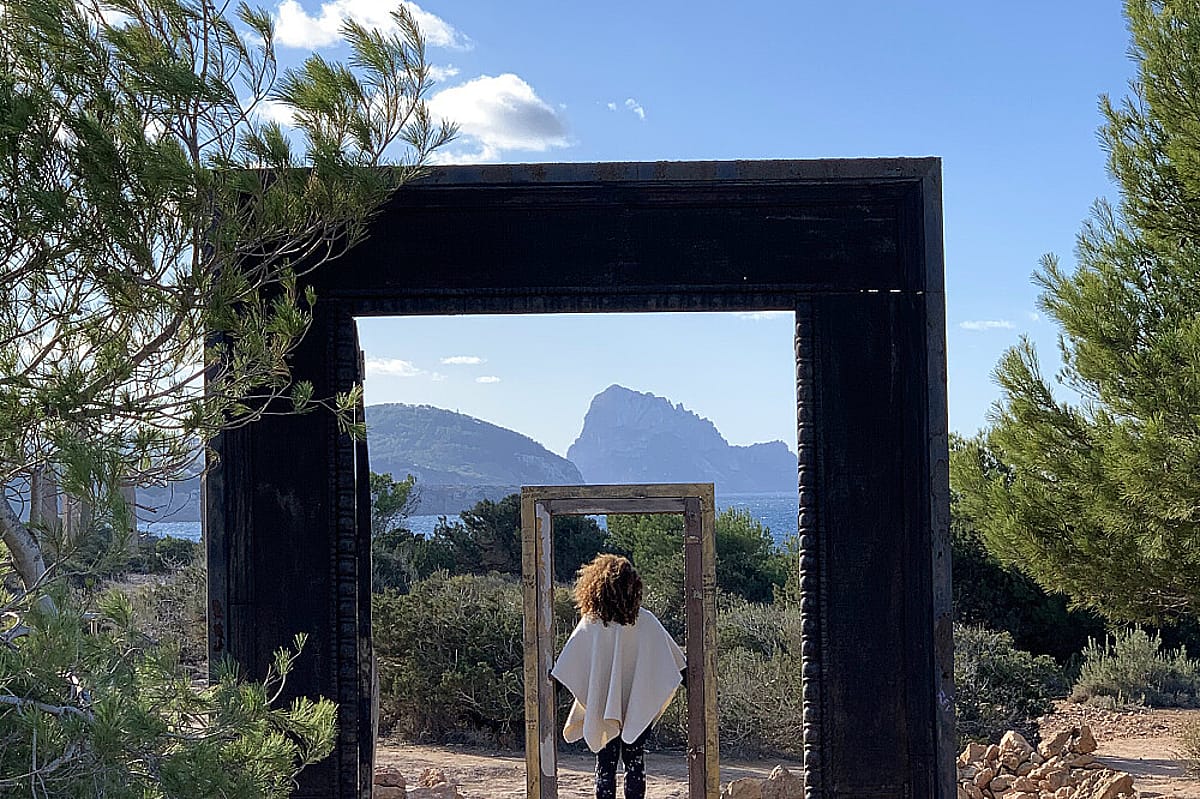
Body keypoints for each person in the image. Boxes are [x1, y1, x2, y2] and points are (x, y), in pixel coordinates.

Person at [551, 554, 687, 799]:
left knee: (605, 768)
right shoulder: (646, 621)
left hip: (601, 708)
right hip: (638, 705)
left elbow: (566, 666)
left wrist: (550, 694)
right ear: (633, 587)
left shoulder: (590, 624)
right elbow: (677, 663)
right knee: (635, 764)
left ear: (596, 588)